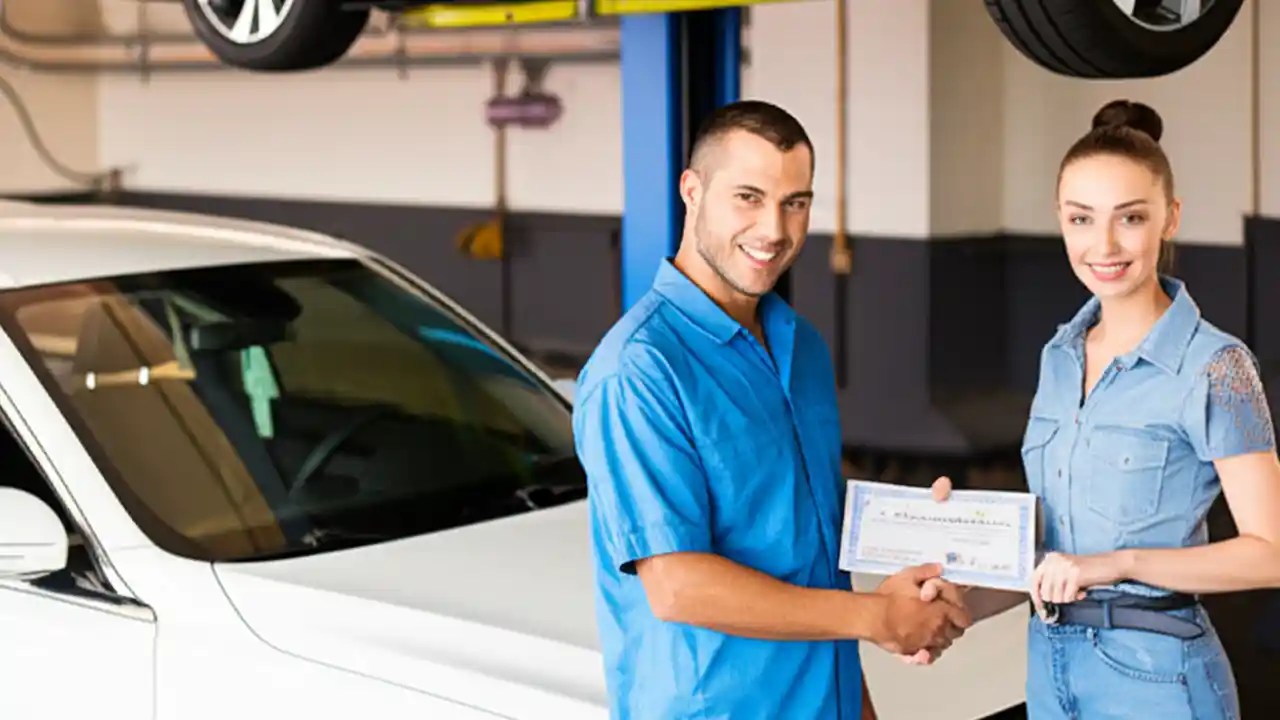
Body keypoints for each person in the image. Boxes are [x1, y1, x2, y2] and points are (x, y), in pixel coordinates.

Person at [572, 99, 972, 720]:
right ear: (692, 190)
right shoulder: (639, 369)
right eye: (749, 197)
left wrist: (938, 538)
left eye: (796, 203)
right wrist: (878, 619)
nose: (774, 231)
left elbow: (810, 551)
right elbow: (678, 586)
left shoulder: (800, 347)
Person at [924, 99, 1280, 719]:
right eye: (1081, 219)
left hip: (1159, 680)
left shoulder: (1219, 368)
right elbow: (1052, 552)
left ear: (1170, 218)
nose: (1104, 245)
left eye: (1131, 218)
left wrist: (1113, 565)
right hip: (1051, 671)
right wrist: (954, 605)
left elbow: (1270, 553)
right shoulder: (1058, 356)